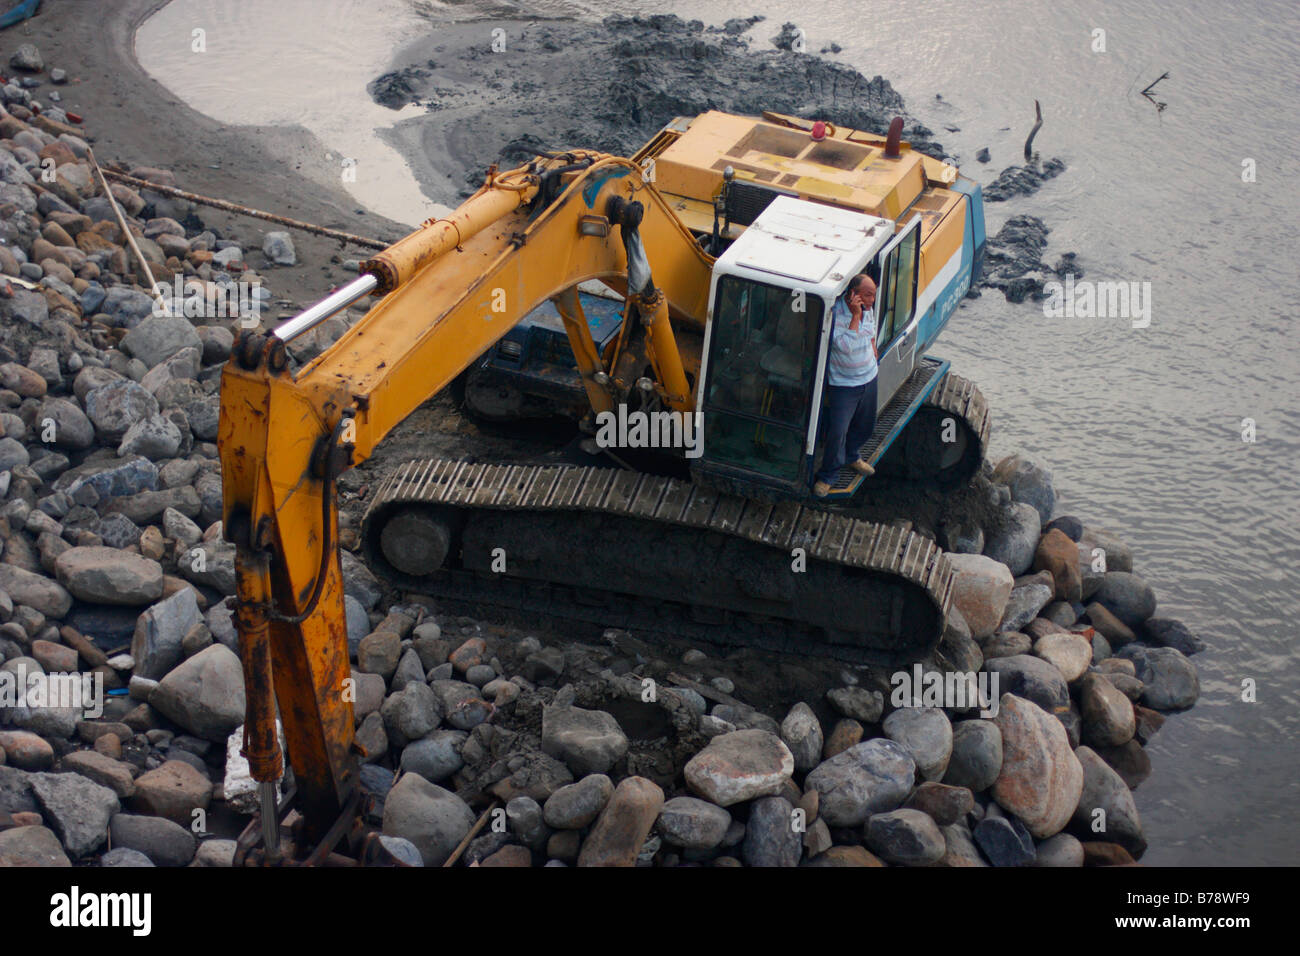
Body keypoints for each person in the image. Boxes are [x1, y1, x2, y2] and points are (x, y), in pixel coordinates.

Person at [813, 273, 878, 497]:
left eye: (874, 295)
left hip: (868, 376)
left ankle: (852, 456)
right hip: (844, 384)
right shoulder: (834, 315)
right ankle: (828, 476)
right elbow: (843, 346)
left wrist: (874, 355)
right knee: (837, 432)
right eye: (868, 295)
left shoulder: (869, 310)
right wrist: (855, 316)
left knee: (866, 424)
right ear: (853, 295)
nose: (872, 300)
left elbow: (870, 335)